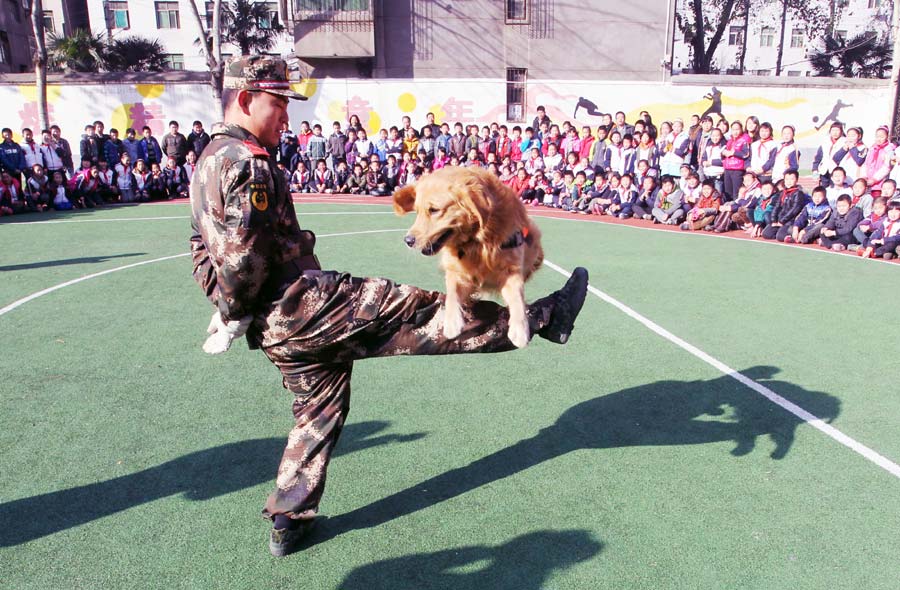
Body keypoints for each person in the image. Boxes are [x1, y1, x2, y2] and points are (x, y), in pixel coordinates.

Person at [189, 60, 590, 558]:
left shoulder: (207, 159)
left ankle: (289, 516)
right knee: (425, 312)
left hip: (276, 330)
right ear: (246, 100)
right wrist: (231, 308)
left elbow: (202, 247)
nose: (285, 119)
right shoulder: (247, 162)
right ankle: (548, 318)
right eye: (278, 105)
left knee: (318, 410)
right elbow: (241, 257)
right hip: (303, 306)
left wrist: (228, 309)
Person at [762, 169, 807, 242]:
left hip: (790, 221)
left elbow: (794, 210)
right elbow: (776, 207)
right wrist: (774, 220)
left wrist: (782, 221)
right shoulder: (783, 192)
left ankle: (793, 236)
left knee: (780, 237)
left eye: (792, 179)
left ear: (797, 180)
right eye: (787, 179)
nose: (789, 181)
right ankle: (782, 232)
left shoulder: (799, 193)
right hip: (780, 219)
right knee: (766, 234)